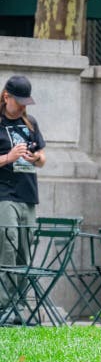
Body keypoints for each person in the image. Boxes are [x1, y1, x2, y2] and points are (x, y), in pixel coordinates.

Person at [0, 76, 47, 324]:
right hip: (4, 194)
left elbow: (42, 156)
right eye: (18, 101)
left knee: (23, 250)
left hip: (28, 193)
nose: (21, 107)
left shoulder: (30, 122)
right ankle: (3, 306)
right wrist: (8, 157)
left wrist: (35, 159)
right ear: (6, 97)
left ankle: (18, 306)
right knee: (7, 247)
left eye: (25, 102)